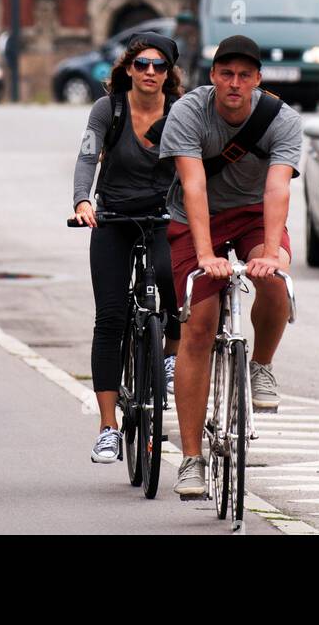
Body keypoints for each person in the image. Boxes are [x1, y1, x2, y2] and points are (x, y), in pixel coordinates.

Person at [158, 34, 302, 500]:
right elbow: (193, 185)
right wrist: (206, 256)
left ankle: (261, 365)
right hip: (194, 218)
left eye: (244, 75)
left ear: (257, 79)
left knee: (276, 279)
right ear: (213, 76)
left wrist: (270, 254)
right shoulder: (187, 112)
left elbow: (277, 188)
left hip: (253, 214)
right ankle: (191, 458)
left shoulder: (282, 120)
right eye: (226, 74)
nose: (234, 83)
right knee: (198, 327)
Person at [72, 32, 183, 466]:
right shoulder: (109, 109)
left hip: (164, 215)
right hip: (113, 217)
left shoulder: (180, 111)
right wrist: (83, 201)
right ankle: (108, 428)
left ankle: (169, 355)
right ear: (129, 69)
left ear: (168, 73)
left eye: (159, 65)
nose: (150, 72)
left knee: (172, 281)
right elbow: (87, 156)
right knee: (110, 318)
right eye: (142, 64)